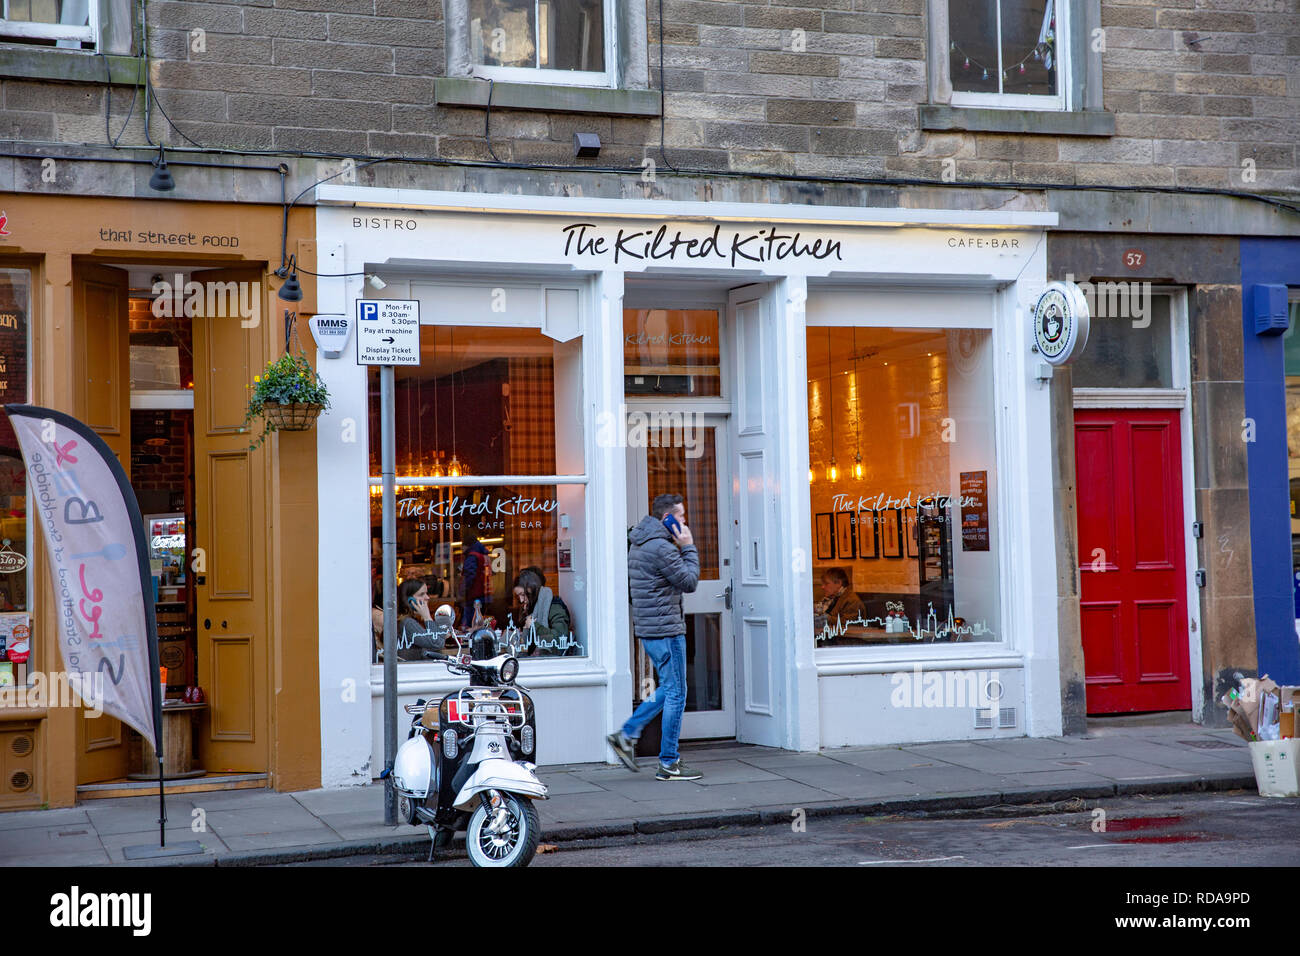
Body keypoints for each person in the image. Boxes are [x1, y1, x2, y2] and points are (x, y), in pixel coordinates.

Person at [607, 492, 702, 781]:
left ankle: (626, 735)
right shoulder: (662, 547)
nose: (685, 522)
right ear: (668, 518)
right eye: (681, 516)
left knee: (670, 688)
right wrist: (688, 547)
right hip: (667, 630)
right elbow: (689, 582)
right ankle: (669, 762)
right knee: (676, 692)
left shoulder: (640, 542)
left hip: (650, 629)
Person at [511, 568, 572, 656]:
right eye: (518, 596)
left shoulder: (554, 607)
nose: (521, 600)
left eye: (523, 595)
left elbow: (560, 638)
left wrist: (534, 625)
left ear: (532, 590)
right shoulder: (530, 608)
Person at [396, 579, 447, 662]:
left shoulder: (411, 620)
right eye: (422, 594)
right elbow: (437, 644)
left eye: (426, 593)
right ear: (409, 600)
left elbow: (439, 639)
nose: (427, 597)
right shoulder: (407, 623)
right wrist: (427, 617)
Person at [459, 529, 491, 628]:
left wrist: (462, 592)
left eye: (462, 546)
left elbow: (469, 576)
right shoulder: (483, 555)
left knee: (470, 623)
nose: (461, 549)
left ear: (467, 545)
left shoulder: (472, 557)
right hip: (484, 594)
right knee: (479, 621)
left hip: (473, 595)